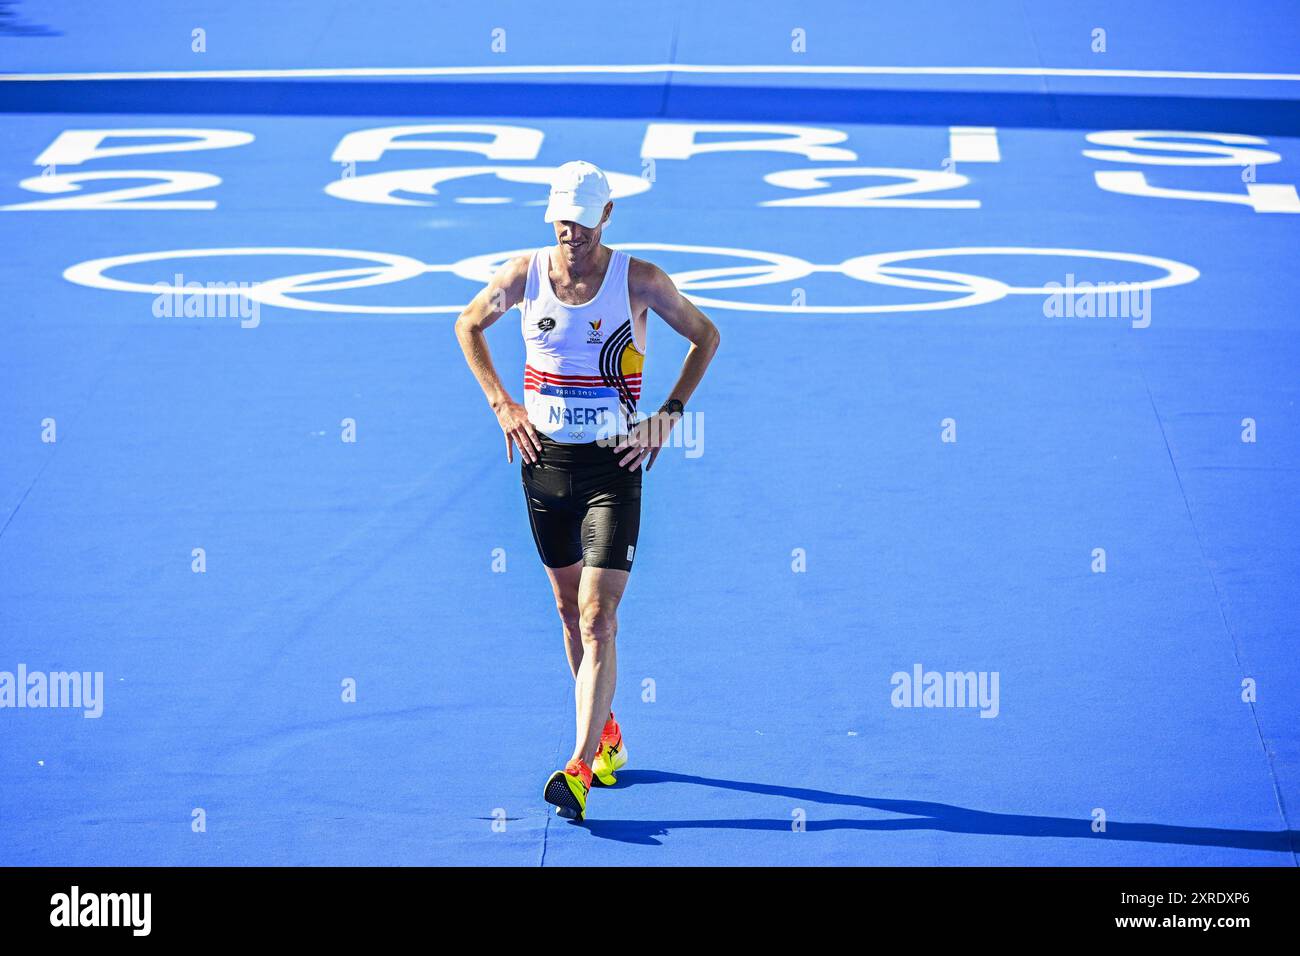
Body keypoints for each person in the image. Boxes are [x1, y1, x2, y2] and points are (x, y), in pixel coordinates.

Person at [454, 160, 720, 819]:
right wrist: (501, 404)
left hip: (612, 469)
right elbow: (467, 324)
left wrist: (669, 413)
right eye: (561, 216)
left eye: (582, 216)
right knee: (569, 612)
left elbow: (705, 336)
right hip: (542, 465)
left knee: (601, 616)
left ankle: (577, 767)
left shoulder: (642, 280)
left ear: (606, 217)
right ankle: (606, 733)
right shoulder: (524, 274)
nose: (570, 229)